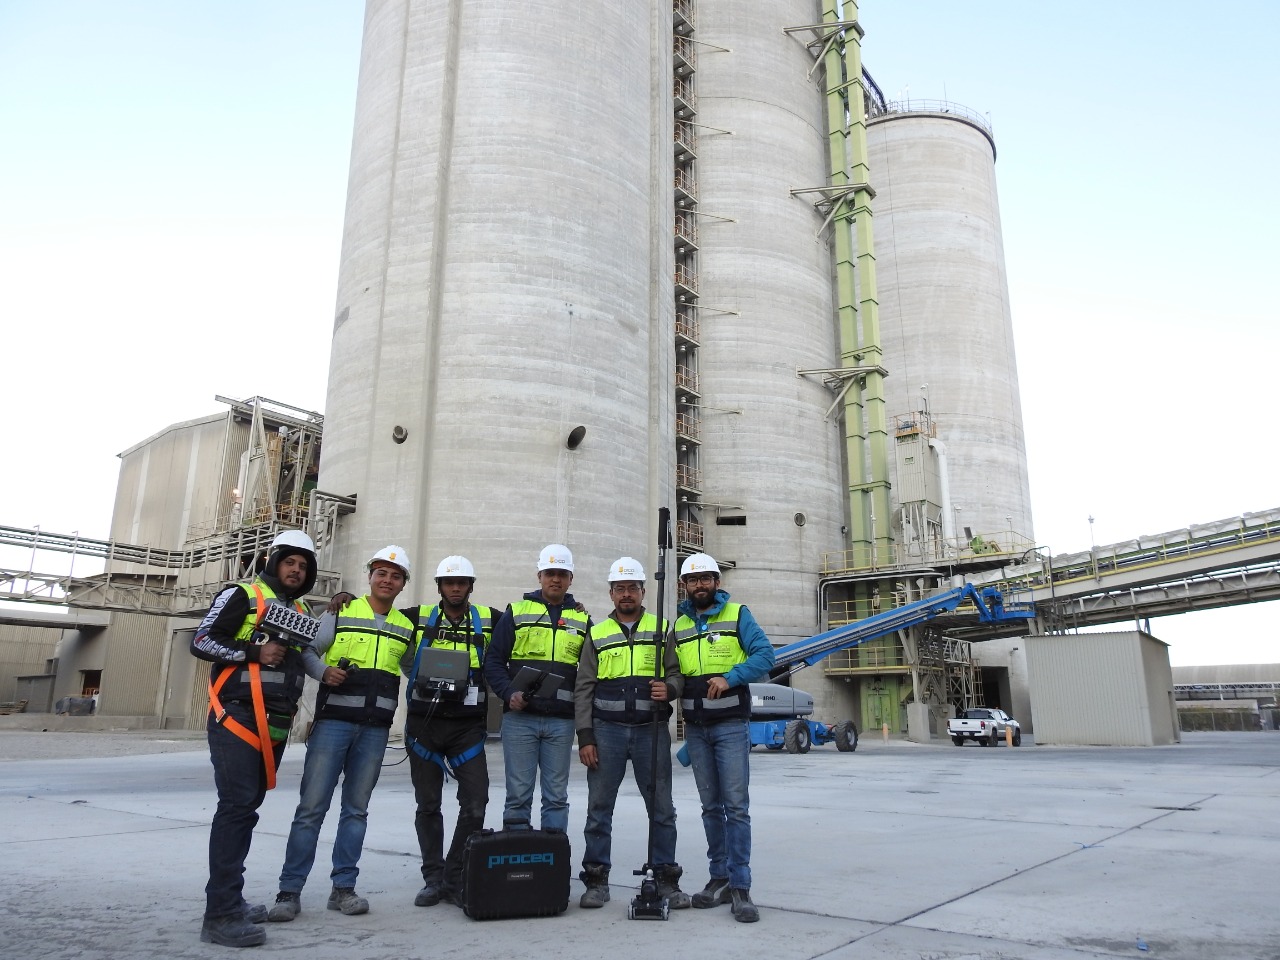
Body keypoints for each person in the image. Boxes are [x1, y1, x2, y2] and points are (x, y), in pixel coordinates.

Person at [267, 546, 416, 922]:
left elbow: (414, 668)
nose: (387, 580)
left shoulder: (405, 626)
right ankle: (289, 892)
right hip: (333, 724)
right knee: (311, 809)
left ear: (403, 584)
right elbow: (308, 651)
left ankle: (343, 888)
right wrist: (323, 673)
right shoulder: (342, 610)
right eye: (381, 573)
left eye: (395, 576)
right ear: (370, 576)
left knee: (356, 811)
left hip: (375, 730)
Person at [190, 529, 318, 948]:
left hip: (276, 722)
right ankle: (220, 915)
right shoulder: (241, 595)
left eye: (303, 566)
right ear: (274, 561)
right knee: (236, 809)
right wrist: (253, 652)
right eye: (289, 562)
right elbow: (202, 640)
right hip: (238, 717)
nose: (296, 570)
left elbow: (308, 656)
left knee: (246, 810)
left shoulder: (299, 610)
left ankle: (232, 900)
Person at [574, 557, 690, 910]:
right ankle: (597, 881)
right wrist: (586, 737)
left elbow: (677, 673)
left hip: (650, 731)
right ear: (611, 593)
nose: (626, 594)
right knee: (599, 808)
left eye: (633, 588)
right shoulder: (597, 633)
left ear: (643, 591)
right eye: (620, 588)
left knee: (661, 808)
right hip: (606, 732)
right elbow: (584, 687)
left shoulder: (662, 628)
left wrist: (670, 689)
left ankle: (666, 880)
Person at [674, 552, 775, 923]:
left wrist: (731, 677)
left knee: (736, 807)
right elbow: (673, 671)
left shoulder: (737, 615)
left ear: (717, 582)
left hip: (730, 725)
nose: (700, 585)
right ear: (684, 585)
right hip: (696, 729)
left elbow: (765, 655)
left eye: (706, 578)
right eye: (693, 579)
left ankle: (740, 886)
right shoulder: (679, 625)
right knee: (710, 807)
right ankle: (718, 877)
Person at [403, 555, 497, 908]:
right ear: (439, 586)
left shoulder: (490, 619)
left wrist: (572, 606)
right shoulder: (416, 617)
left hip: (467, 728)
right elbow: (379, 616)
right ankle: (433, 877)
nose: (455, 588)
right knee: (428, 804)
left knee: (476, 802)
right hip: (424, 726)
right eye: (449, 582)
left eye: (461, 583)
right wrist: (344, 599)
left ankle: (453, 877)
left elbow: (528, 627)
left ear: (470, 586)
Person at [483, 543, 590, 833]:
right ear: (539, 576)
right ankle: (517, 851)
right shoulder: (517, 612)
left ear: (571, 579)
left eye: (562, 574)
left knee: (556, 797)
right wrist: (508, 694)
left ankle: (552, 853)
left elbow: (591, 672)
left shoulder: (582, 619)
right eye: (550, 573)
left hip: (561, 721)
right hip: (520, 719)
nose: (556, 579)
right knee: (518, 795)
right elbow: (493, 661)